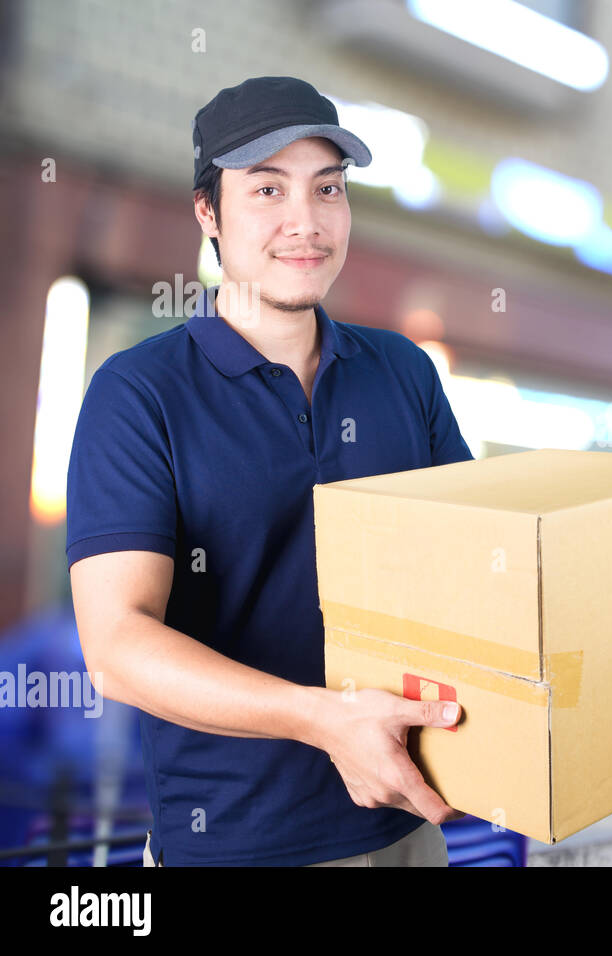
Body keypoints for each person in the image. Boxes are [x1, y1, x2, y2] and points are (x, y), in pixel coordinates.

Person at [66, 76, 472, 866]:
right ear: (207, 212)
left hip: (408, 826)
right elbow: (116, 647)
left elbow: (467, 574)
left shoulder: (402, 371)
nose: (305, 222)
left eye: (328, 188)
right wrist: (322, 718)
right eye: (266, 189)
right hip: (234, 846)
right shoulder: (140, 392)